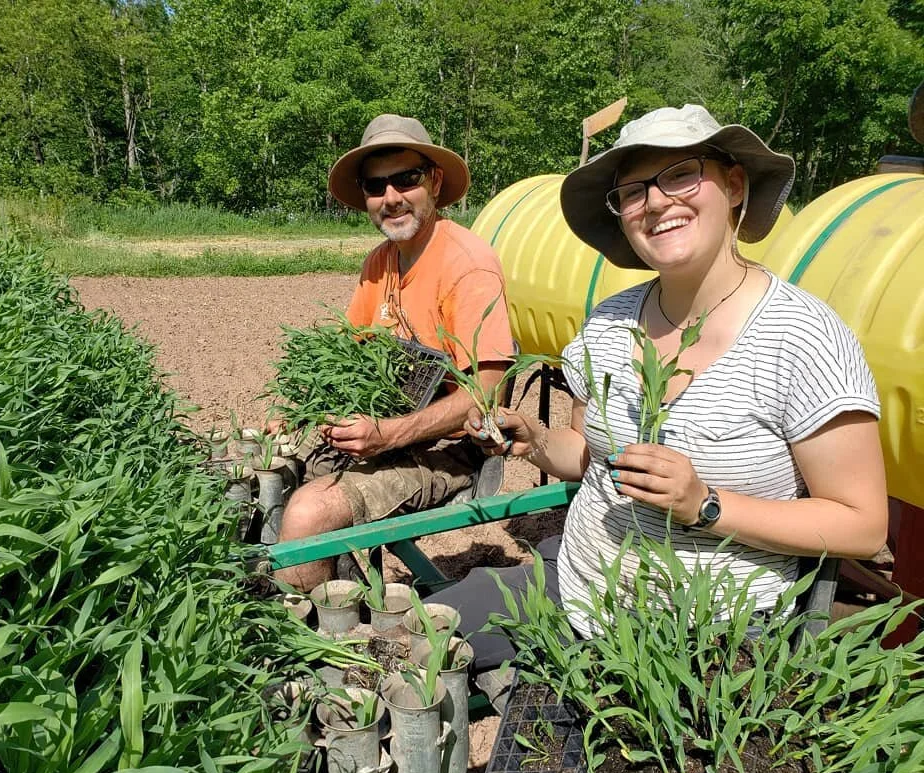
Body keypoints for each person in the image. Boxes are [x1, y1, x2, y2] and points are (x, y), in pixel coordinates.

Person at [430, 104, 888, 690]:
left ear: (734, 185)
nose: (656, 202)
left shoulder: (803, 339)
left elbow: (862, 526)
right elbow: (591, 457)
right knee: (413, 635)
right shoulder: (609, 323)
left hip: (708, 632)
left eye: (681, 175)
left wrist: (706, 505)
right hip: (578, 582)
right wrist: (535, 440)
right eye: (633, 191)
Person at [273, 114, 513, 591]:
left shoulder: (467, 267)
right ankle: (326, 583)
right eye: (376, 186)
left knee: (307, 513)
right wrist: (298, 410)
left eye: (406, 179)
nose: (391, 197)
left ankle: (318, 625)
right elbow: (348, 356)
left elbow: (487, 397)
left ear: (435, 183)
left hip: (450, 449)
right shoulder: (380, 262)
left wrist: (386, 435)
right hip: (384, 426)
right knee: (262, 466)